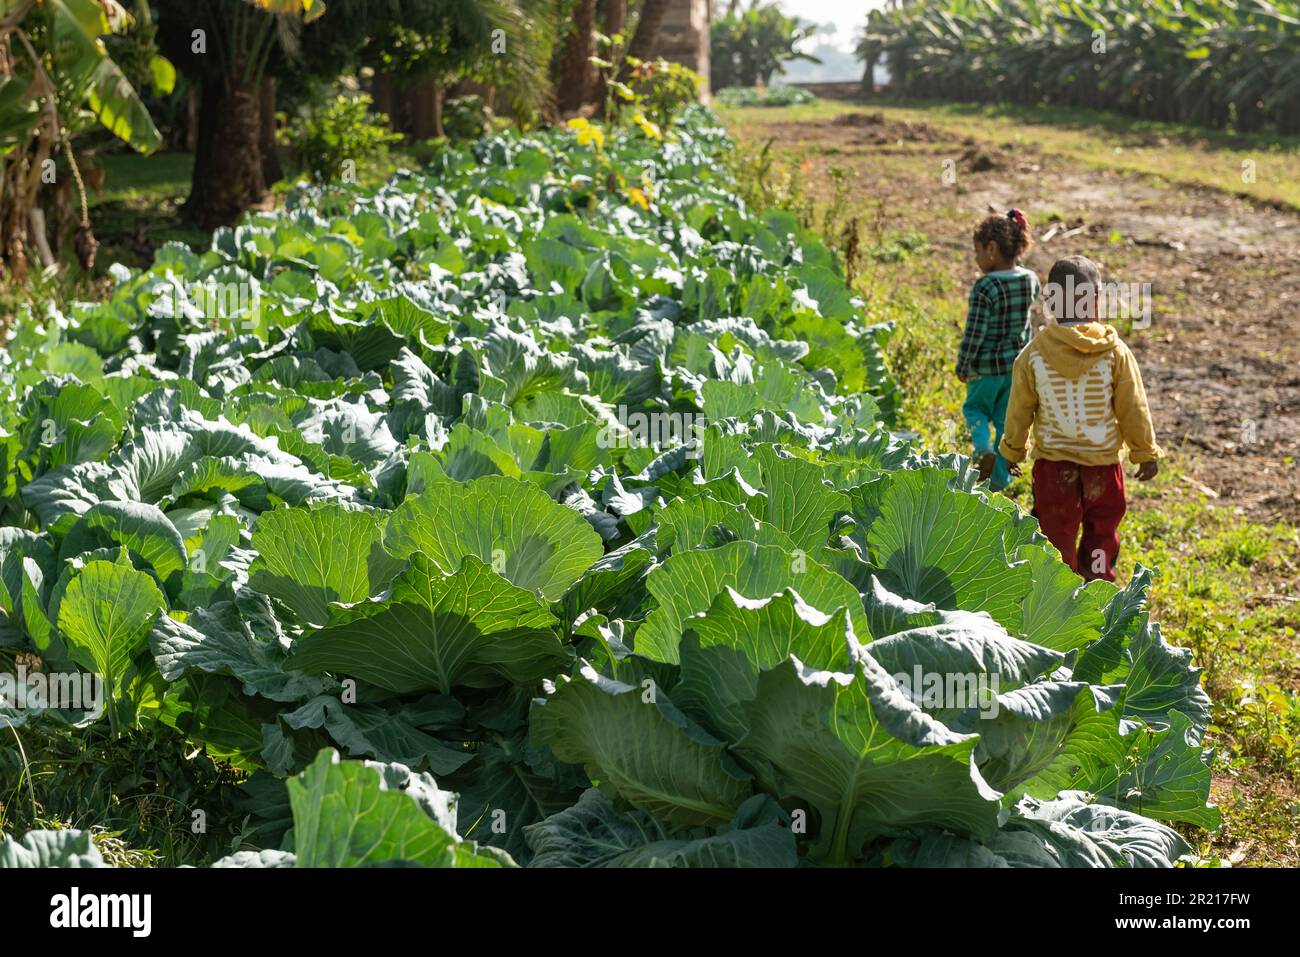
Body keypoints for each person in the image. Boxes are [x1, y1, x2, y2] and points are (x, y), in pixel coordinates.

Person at [999, 255, 1161, 582]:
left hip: (1054, 468)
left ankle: (1058, 595)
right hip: (1102, 465)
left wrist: (1012, 451)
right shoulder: (1115, 353)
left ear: (1051, 302)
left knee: (1056, 533)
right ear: (1097, 300)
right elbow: (1134, 408)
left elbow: (1019, 410)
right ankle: (1097, 584)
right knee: (1102, 529)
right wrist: (1144, 452)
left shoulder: (1033, 354)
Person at [957, 208, 1039, 490]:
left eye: (978, 251)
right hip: (1014, 369)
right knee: (1006, 424)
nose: (977, 259)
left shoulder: (985, 286)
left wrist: (964, 365)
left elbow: (974, 334)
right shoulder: (1030, 280)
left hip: (985, 370)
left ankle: (982, 450)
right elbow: (1027, 326)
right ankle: (999, 481)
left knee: (975, 410)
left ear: (991, 249)